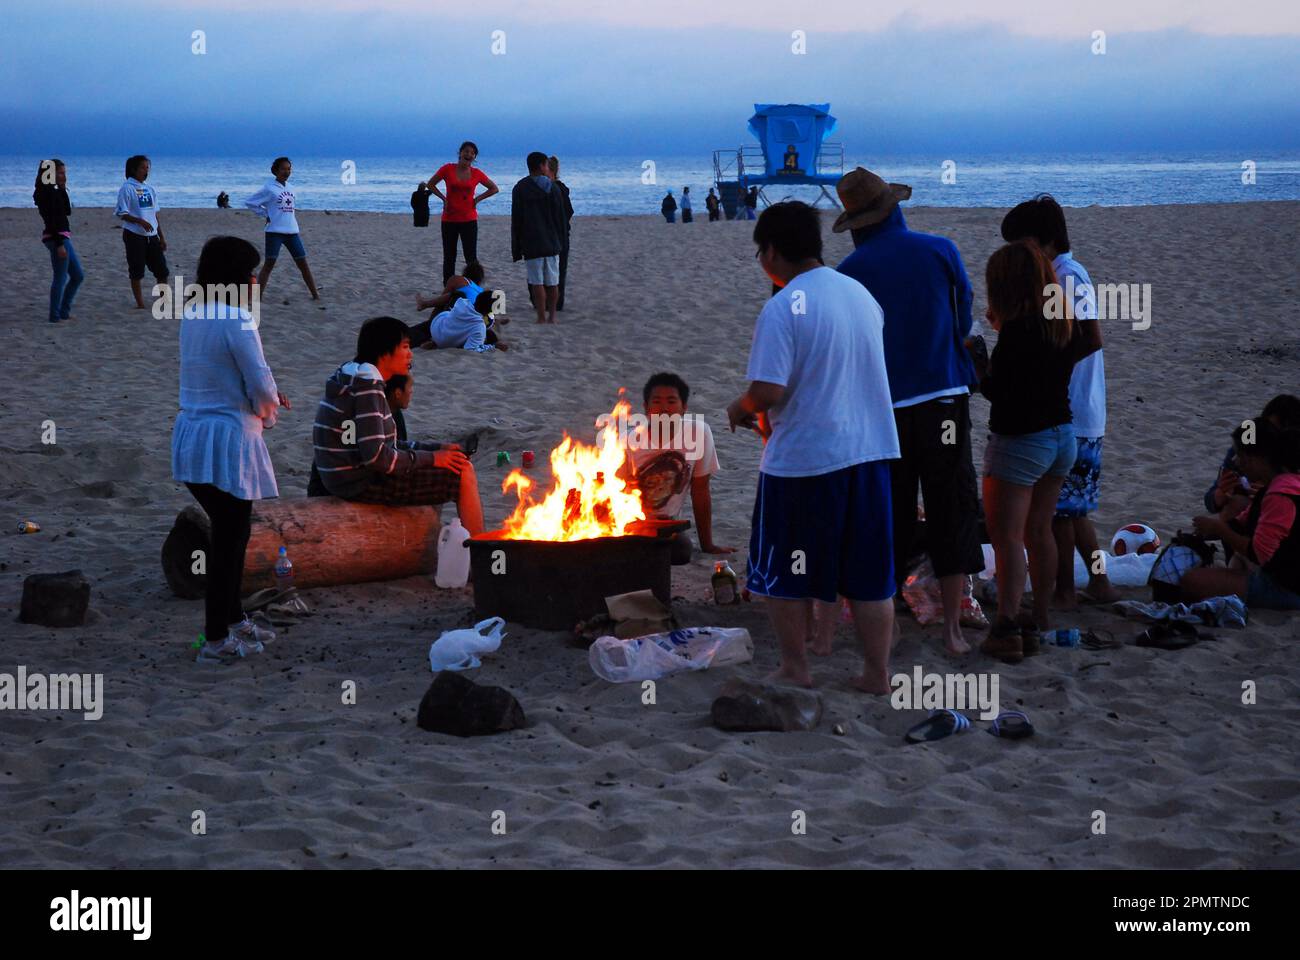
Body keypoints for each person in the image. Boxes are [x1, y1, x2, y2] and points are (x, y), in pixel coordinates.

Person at [726, 202, 900, 691]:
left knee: (784, 570)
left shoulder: (782, 307)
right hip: (869, 454)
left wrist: (738, 408)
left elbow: (769, 390)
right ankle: (876, 673)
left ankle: (796, 666)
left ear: (773, 251)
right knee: (869, 574)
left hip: (804, 462)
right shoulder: (861, 296)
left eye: (761, 251)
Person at [834, 167, 984, 656]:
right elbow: (964, 313)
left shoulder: (850, 272)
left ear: (857, 223)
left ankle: (889, 621)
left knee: (890, 511)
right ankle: (952, 630)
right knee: (951, 506)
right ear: (895, 208)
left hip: (885, 410)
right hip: (942, 399)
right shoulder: (940, 249)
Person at [978, 241, 1097, 663]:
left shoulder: (1017, 331)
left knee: (1007, 536)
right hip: (1062, 435)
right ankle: (1040, 616)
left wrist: (978, 364)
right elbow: (1049, 368)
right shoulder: (1059, 322)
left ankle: (1007, 624)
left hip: (1021, 441)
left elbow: (1000, 392)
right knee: (1039, 530)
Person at [172, 236, 287, 663]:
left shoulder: (195, 313)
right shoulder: (237, 319)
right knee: (230, 540)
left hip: (193, 437)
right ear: (237, 278)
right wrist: (269, 411)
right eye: (251, 273)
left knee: (230, 534)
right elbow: (259, 382)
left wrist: (269, 398)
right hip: (227, 443)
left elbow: (223, 374)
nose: (256, 280)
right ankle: (216, 639)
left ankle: (235, 619)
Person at [1000, 195, 1114, 607]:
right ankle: (1098, 582)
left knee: (1060, 513)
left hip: (1074, 408)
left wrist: (1048, 366)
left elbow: (1091, 336)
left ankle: (1066, 589)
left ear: (1043, 240)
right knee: (1075, 509)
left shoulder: (1066, 277)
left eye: (1022, 244)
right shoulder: (1060, 274)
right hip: (1078, 408)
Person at [311, 316, 484, 533]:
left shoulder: (352, 377)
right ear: (384, 352)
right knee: (461, 472)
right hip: (356, 482)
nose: (410, 354)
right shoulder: (367, 388)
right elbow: (377, 458)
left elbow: (385, 445)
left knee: (450, 462)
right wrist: (432, 459)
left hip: (344, 475)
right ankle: (479, 552)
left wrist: (435, 449)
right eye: (404, 347)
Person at [1185, 419, 1300, 610]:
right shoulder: (1279, 484)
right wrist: (1207, 531)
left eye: (1239, 456)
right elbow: (1239, 525)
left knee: (1191, 580)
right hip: (1282, 572)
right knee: (1235, 557)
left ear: (1256, 459)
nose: (1235, 462)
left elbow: (1258, 554)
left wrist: (1219, 529)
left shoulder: (1280, 495)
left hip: (1288, 588)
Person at [625, 372, 733, 564]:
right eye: (656, 402)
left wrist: (707, 545)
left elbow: (700, 490)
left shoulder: (699, 433)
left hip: (668, 525)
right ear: (646, 408)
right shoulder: (627, 441)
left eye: (672, 401)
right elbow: (612, 493)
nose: (664, 408)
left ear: (684, 408)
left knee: (681, 551)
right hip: (631, 523)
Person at [1203, 394, 1300, 519]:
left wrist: (1269, 492)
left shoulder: (1292, 458)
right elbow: (1211, 499)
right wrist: (1219, 495)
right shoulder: (1244, 451)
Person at [243, 157, 320, 299]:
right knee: (269, 265)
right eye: (283, 169)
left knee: (303, 264)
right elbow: (250, 202)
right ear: (276, 170)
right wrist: (265, 214)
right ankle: (257, 297)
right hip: (274, 232)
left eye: (289, 169)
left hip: (292, 231)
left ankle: (315, 295)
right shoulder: (269, 188)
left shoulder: (291, 188)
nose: (287, 171)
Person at [428, 141, 498, 283]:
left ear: (474, 157)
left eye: (472, 153)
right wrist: (443, 198)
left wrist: (477, 199)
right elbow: (430, 184)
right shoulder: (447, 169)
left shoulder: (476, 173)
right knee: (449, 256)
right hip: (449, 219)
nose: (469, 154)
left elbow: (494, 188)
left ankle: (473, 286)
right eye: (466, 151)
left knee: (471, 257)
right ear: (460, 153)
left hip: (469, 220)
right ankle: (448, 288)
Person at [511, 151, 567, 325]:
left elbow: (517, 219)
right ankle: (552, 317)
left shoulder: (520, 187)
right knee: (552, 282)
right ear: (543, 165)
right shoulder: (553, 187)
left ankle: (541, 316)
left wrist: (516, 246)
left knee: (537, 282)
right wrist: (561, 240)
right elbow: (560, 217)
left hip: (531, 241)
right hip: (551, 241)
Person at [114, 155, 169, 309]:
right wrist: (139, 221)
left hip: (152, 237)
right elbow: (121, 213)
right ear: (134, 169)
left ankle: (163, 301)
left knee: (162, 271)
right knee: (136, 270)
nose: (146, 171)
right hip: (134, 235)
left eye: (147, 167)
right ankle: (140, 303)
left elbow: (154, 215)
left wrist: (161, 237)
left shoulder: (150, 189)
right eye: (143, 167)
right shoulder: (127, 188)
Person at [34, 159, 83, 324]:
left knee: (77, 276)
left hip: (62, 236)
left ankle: (63, 312)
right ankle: (55, 316)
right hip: (56, 238)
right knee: (61, 278)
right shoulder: (46, 193)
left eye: (64, 173)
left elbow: (67, 211)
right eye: (60, 173)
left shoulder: (55, 191)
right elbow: (51, 220)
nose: (64, 176)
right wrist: (60, 243)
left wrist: (62, 189)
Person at [410, 290, 506, 352]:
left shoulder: (462, 302)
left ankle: (424, 304)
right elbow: (471, 349)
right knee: (484, 336)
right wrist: (493, 347)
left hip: (436, 325)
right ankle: (433, 342)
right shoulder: (479, 327)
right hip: (444, 341)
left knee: (458, 294)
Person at [549, 156, 574, 310]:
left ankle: (556, 302)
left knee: (556, 269)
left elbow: (568, 211)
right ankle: (556, 302)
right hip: (560, 234)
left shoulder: (558, 189)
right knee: (557, 269)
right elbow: (569, 211)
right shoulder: (560, 188)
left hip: (558, 234)